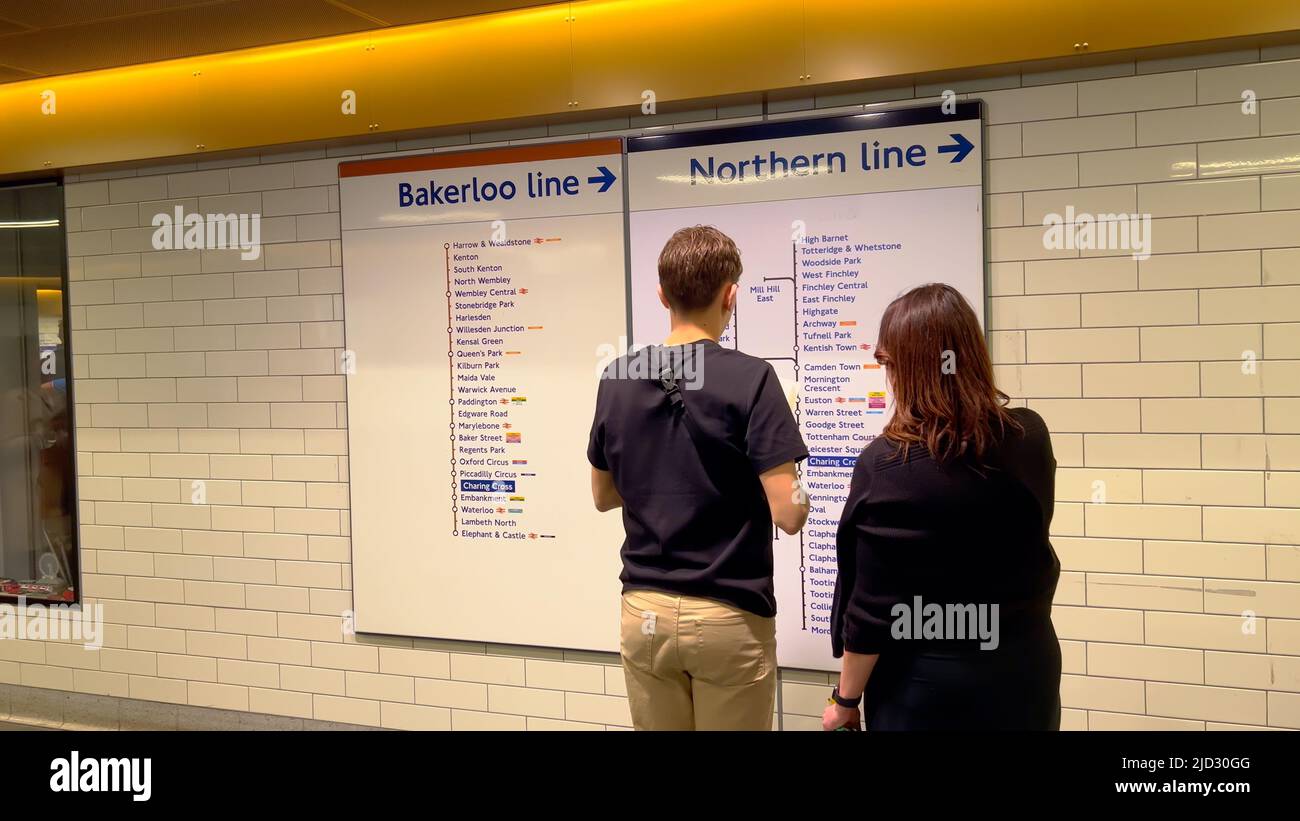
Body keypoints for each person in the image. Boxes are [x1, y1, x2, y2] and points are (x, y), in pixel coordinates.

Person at [588, 225, 809, 730]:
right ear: (731, 295)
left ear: (662, 294)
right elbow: (790, 513)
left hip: (644, 613)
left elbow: (603, 495)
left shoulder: (616, 378)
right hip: (727, 615)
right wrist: (783, 461)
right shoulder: (754, 379)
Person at [823, 283, 1061, 731]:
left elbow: (872, 610)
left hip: (925, 680)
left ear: (910, 368)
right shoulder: (1029, 436)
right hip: (1025, 667)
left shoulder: (888, 464)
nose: (887, 375)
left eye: (889, 363)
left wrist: (845, 701)